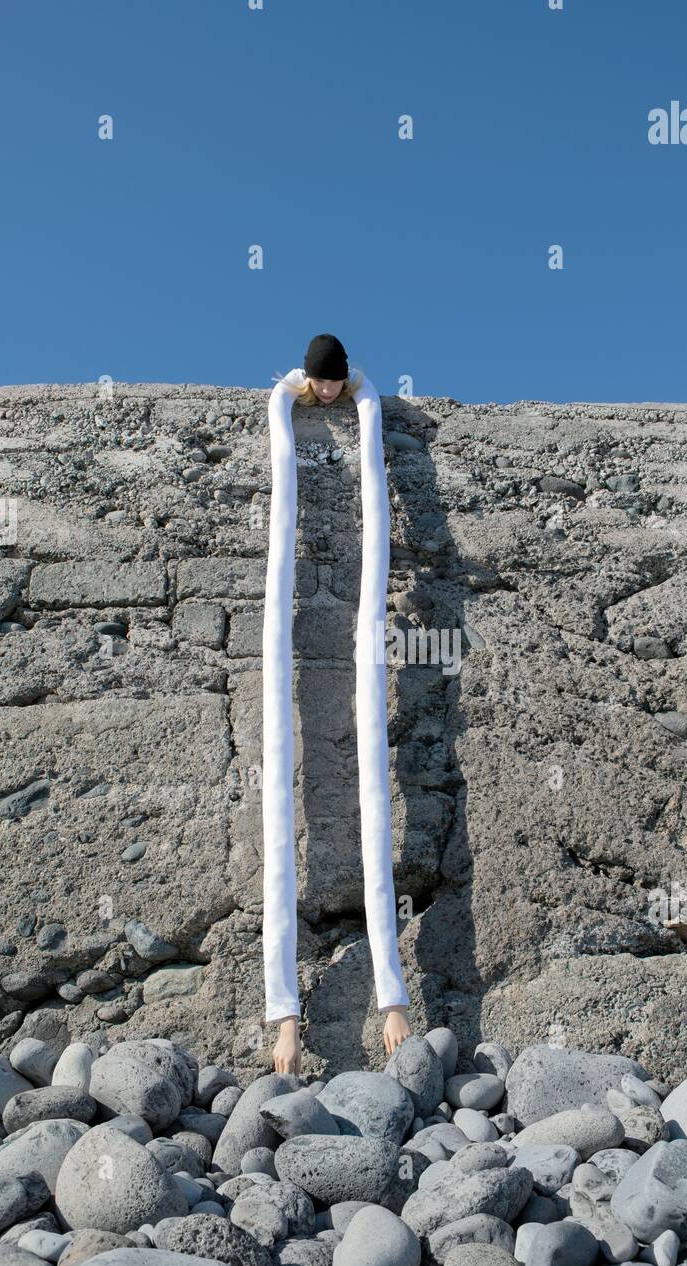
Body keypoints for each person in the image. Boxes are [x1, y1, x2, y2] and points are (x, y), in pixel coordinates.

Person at [264, 334, 412, 1076]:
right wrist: (290, 402)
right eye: (315, 389)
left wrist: (358, 401)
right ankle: (285, 1021)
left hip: (367, 637)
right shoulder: (289, 400)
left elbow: (362, 401)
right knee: (286, 826)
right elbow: (286, 404)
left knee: (373, 809)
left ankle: (394, 1001)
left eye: (331, 388)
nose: (324, 396)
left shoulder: (361, 397)